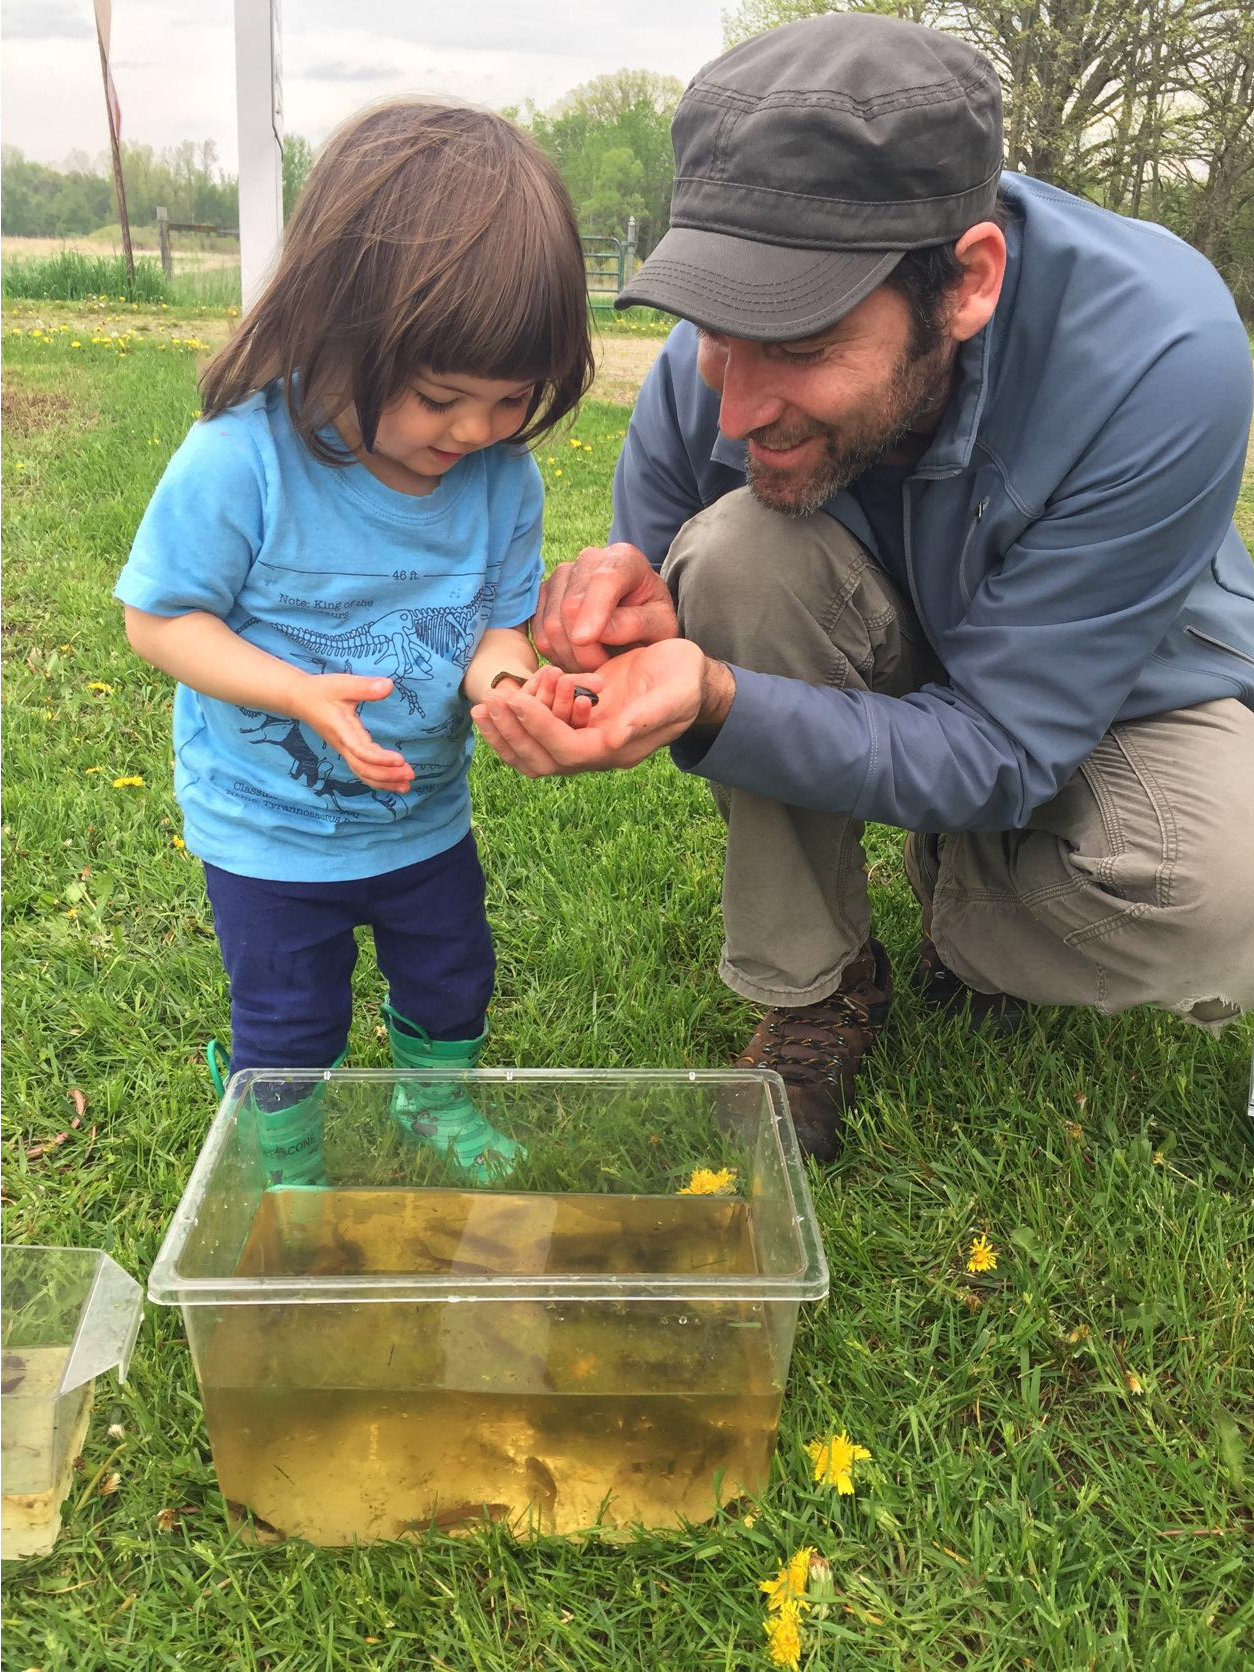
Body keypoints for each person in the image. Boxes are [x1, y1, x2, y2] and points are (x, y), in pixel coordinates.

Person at [471, 15, 1254, 1159]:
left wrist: (724, 699)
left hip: (1114, 685)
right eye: (713, 331)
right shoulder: (724, 373)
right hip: (874, 640)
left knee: (1216, 908)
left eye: (799, 340)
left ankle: (964, 908)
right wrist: (637, 624)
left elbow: (1007, 741)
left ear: (969, 282)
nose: (732, 407)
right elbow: (670, 590)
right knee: (737, 552)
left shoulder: (1165, 357)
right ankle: (817, 985)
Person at [116, 100, 594, 1185]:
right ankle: (285, 1153)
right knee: (290, 1013)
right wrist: (297, 694)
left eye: (510, 399)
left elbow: (491, 627)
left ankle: (437, 1104)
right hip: (268, 827)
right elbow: (159, 619)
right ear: (338, 330)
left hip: (423, 813)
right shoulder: (243, 463)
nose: (475, 432)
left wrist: (513, 679)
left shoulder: (501, 481)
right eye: (439, 398)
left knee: (453, 974)